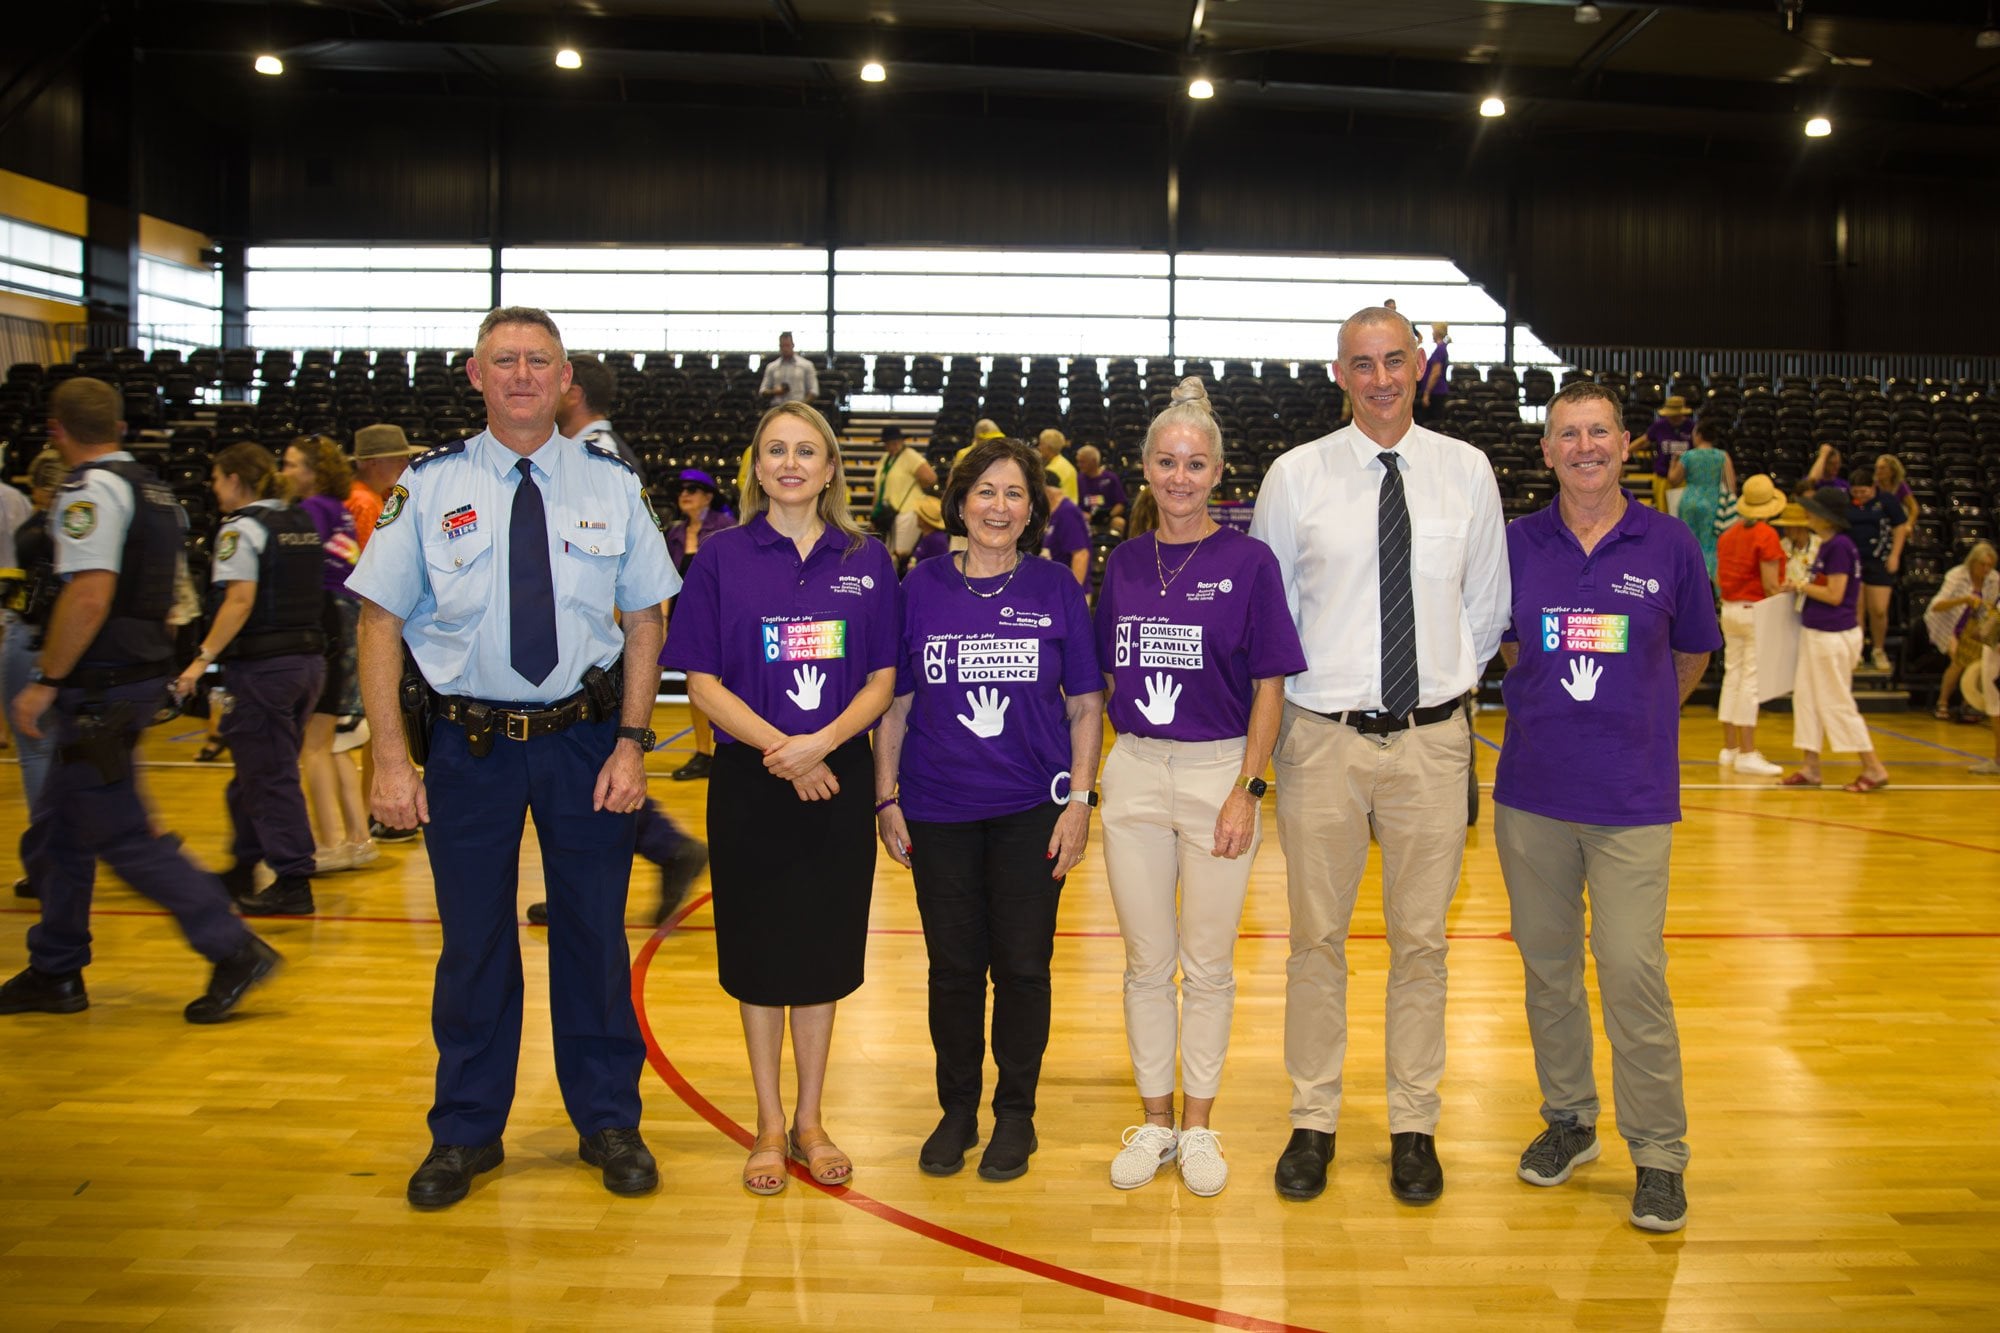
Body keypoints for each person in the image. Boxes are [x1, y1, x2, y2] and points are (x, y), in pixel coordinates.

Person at [348, 306, 679, 1209]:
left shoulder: (612, 484)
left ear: (566, 378)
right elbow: (379, 621)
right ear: (475, 375)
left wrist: (632, 744)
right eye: (506, 360)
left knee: (592, 939)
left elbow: (646, 620)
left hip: (583, 742)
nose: (524, 374)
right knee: (474, 944)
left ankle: (608, 1118)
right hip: (469, 746)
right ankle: (463, 1130)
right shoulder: (429, 484)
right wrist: (388, 757)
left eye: (540, 360)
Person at [1248, 306, 1508, 1206]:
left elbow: (1485, 609)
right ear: (1338, 374)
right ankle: (1313, 1118)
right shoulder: (1296, 476)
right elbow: (1270, 615)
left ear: (1416, 367)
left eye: (1395, 359)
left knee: (1422, 944)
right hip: (1320, 740)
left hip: (1433, 742)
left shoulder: (1466, 471)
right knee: (1315, 941)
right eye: (1363, 364)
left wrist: (1433, 692)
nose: (1382, 377)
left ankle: (1413, 1124)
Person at [1492, 382, 1720, 1235]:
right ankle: (1571, 1120)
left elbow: (1693, 651)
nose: (1584, 446)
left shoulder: (1667, 544)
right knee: (1548, 971)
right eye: (1567, 434)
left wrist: (1637, 716)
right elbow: (1510, 642)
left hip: (1631, 798)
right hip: (1533, 796)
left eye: (1598, 432)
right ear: (1546, 451)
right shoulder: (1516, 543)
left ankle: (1659, 1153)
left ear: (1627, 445)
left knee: (1631, 971)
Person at [663, 401, 897, 1195]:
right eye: (775, 450)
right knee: (761, 957)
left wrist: (821, 745)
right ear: (756, 466)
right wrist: (783, 751)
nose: (790, 463)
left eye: (806, 450)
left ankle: (811, 1118)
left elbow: (882, 680)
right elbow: (699, 680)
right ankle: (766, 1123)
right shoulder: (721, 558)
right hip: (752, 782)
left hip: (837, 776)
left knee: (823, 955)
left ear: (831, 467)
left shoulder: (867, 558)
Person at [1, 377, 281, 1023]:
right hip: (128, 675)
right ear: (123, 427)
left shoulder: (91, 491)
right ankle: (56, 967)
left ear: (57, 430)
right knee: (58, 834)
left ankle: (231, 945)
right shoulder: (153, 489)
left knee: (121, 834)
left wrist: (45, 679)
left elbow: (91, 593)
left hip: (100, 684)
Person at [1093, 379, 1307, 1197]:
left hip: (1222, 769)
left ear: (1219, 473)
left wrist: (1249, 787)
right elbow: (1109, 671)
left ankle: (1202, 1126)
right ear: (1144, 469)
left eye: (1196, 463)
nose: (1180, 476)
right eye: (1166, 461)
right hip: (1138, 768)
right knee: (1147, 961)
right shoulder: (1122, 562)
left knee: (1209, 964)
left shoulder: (1250, 562)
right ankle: (1155, 1121)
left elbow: (1269, 685)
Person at [874, 436, 1103, 1184]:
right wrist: (886, 796)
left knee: (1024, 966)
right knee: (953, 968)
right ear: (959, 502)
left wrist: (1080, 803)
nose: (999, 507)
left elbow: (1085, 706)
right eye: (986, 492)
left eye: (1015, 494)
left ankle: (1016, 1112)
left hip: (1032, 809)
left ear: (1032, 508)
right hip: (938, 807)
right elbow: (897, 703)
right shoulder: (921, 586)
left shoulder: (1055, 589)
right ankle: (958, 1107)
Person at [171, 442, 327, 916]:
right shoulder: (298, 522)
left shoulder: (241, 530)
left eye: (217, 478)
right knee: (253, 772)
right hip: (306, 665)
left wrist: (200, 660)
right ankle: (243, 865)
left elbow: (239, 601)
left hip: (264, 669)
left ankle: (293, 877)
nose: (214, 489)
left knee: (268, 773)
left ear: (237, 480)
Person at [280, 436, 374, 873]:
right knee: (334, 742)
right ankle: (358, 837)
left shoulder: (310, 511)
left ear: (314, 471)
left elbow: (301, 569)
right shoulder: (337, 508)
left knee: (313, 745)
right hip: (347, 614)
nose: (286, 472)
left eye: (293, 464)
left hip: (327, 617)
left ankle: (329, 843)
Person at [1780, 487, 1890, 793]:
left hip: (1831, 635)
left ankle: (1873, 766)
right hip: (1818, 633)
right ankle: (1811, 766)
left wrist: (1801, 585)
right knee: (1806, 698)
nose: (1808, 514)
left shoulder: (1839, 547)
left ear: (1827, 517)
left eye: (1813, 510)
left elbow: (1835, 595)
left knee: (1835, 701)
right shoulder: (1829, 545)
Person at [352, 424, 425, 845]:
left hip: (382, 624)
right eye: (398, 459)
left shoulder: (377, 500)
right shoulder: (366, 505)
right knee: (376, 721)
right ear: (375, 463)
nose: (405, 465)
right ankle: (373, 811)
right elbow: (375, 582)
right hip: (377, 626)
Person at [3, 449, 67, 899]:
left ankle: (49, 862)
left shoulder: (31, 530)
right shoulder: (83, 526)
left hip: (31, 637)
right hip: (77, 646)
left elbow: (12, 590)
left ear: (40, 491)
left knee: (36, 754)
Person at [1713, 474, 1788, 777]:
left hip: (1730, 610)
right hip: (1755, 610)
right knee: (1751, 681)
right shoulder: (1766, 535)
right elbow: (1771, 586)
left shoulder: (1728, 534)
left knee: (1733, 676)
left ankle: (1730, 748)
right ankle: (1746, 751)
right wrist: (1792, 586)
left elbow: (1719, 578)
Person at [663, 467, 731, 781]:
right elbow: (663, 580)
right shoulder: (674, 533)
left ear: (708, 495)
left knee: (719, 688)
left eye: (692, 489)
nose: (685, 495)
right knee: (696, 687)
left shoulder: (725, 529)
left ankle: (725, 752)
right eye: (681, 490)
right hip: (684, 618)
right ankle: (704, 752)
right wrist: (663, 620)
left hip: (718, 617)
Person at [1844, 466, 1910, 674]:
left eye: (1864, 492)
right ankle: (1858, 651)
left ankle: (1878, 649)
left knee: (1879, 610)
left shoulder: (1887, 501)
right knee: (1857, 609)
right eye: (1856, 492)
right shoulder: (1846, 502)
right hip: (1853, 561)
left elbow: (1900, 526)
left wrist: (1895, 555)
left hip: (1879, 560)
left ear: (1873, 488)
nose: (1860, 496)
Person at [1925, 542, 1998, 725]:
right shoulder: (1956, 575)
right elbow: (1937, 605)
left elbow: (1990, 611)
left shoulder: (1995, 579)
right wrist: (1964, 600)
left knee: (1980, 661)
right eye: (1983, 565)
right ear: (1972, 562)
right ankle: (1942, 702)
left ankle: (1970, 703)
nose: (1986, 569)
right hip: (1948, 624)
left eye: (1990, 565)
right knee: (1959, 660)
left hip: (1976, 627)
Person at [1668, 416, 1735, 584]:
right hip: (1713, 502)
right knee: (1710, 545)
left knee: (1688, 543)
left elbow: (1673, 479)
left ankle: (1687, 581)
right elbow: (1731, 485)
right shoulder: (1722, 456)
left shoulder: (1688, 456)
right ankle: (1711, 586)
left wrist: (1673, 461)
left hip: (1690, 500)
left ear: (1698, 435)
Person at [872, 426, 937, 564]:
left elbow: (930, 477)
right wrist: (874, 515)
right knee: (889, 554)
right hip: (889, 514)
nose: (892, 446)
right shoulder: (886, 459)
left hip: (907, 511)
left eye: (895, 442)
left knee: (899, 554)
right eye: (889, 443)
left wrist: (918, 484)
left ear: (902, 442)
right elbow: (878, 487)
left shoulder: (910, 455)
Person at [1645, 396, 1695, 514]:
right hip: (1662, 477)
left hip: (1684, 478)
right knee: (1663, 513)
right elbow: (1644, 440)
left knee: (1682, 513)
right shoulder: (1659, 426)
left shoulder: (1692, 427)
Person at [1043, 477, 1091, 586]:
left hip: (1065, 593)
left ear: (1047, 491)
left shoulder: (1067, 512)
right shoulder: (1055, 513)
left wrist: (1072, 593)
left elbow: (1081, 554)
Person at [1074, 445, 1128, 535]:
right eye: (1078, 462)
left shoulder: (1110, 478)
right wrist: (1082, 514)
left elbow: (1121, 504)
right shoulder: (1077, 479)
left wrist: (1109, 516)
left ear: (1093, 461)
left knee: (1119, 522)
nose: (1079, 465)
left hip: (1108, 517)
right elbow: (1072, 503)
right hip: (1085, 518)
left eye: (1082, 462)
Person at [757, 331, 818, 408]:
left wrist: (801, 407)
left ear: (793, 345)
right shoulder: (771, 367)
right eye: (782, 346)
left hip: (798, 407)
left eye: (787, 345)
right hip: (776, 408)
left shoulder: (806, 365)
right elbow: (762, 391)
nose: (785, 349)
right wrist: (774, 392)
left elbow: (813, 391)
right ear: (779, 346)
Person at [1418, 322, 1451, 425]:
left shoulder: (1440, 350)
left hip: (1436, 392)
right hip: (1436, 392)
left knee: (1432, 423)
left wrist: (1427, 393)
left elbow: (1435, 373)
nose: (1432, 334)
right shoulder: (1440, 348)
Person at [1037, 428, 1079, 504]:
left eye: (1041, 444)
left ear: (1048, 447)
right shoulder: (1067, 465)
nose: (1039, 447)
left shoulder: (1052, 470)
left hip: (1059, 511)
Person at [907, 494, 950, 568]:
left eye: (919, 515)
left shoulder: (937, 540)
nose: (917, 516)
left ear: (923, 520)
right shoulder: (926, 535)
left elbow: (939, 568)